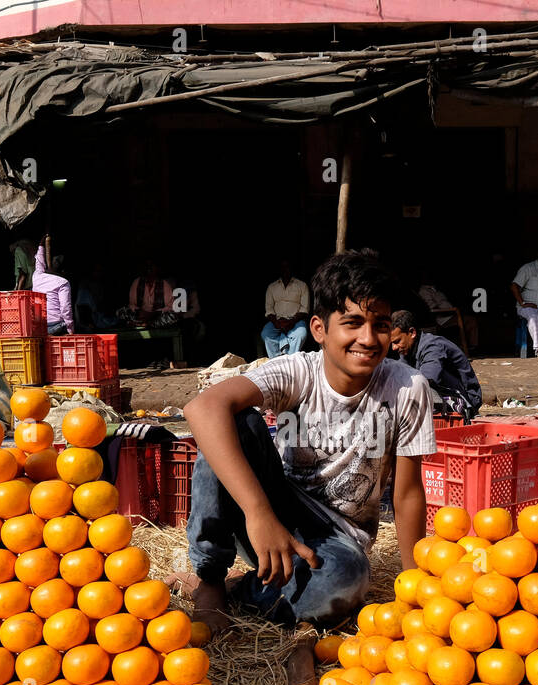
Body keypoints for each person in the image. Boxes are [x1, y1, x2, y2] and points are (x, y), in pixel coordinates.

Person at [184, 250, 435, 634]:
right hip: (274, 509)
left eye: (381, 325)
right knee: (233, 420)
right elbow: (202, 408)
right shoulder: (299, 371)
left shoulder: (406, 386)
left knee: (345, 583)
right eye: (352, 323)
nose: (368, 339)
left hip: (339, 540)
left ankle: (245, 589)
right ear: (319, 329)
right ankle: (212, 580)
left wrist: (414, 584)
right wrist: (259, 513)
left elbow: (407, 493)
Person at [390, 310, 483, 422]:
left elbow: (425, 381)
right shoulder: (406, 351)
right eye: (392, 343)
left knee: (421, 383)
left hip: (465, 400)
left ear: (412, 333)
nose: (393, 348)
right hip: (440, 394)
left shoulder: (433, 347)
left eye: (397, 341)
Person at [262, 261, 311, 357]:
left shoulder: (302, 285)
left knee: (301, 334)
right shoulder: (272, 287)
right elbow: (269, 309)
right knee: (266, 333)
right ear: (279, 270)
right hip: (276, 321)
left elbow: (305, 309)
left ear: (292, 269)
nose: (285, 270)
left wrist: (292, 321)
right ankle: (275, 360)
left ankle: (290, 360)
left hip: (296, 321)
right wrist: (277, 323)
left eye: (287, 267)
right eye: (283, 268)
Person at [418, 276, 477, 354]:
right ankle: (472, 348)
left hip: (452, 314)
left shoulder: (436, 290)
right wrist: (450, 311)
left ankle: (469, 347)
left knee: (471, 320)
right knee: (470, 320)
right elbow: (431, 308)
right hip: (443, 318)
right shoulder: (424, 291)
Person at [30, 245, 73, 335]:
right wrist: (70, 329)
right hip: (55, 326)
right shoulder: (63, 282)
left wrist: (41, 246)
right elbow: (65, 308)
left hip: (38, 325)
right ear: (63, 271)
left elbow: (39, 262)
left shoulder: (37, 276)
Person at [126, 260, 176, 328]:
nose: (149, 268)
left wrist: (153, 314)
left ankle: (145, 324)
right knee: (121, 312)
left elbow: (170, 307)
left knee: (172, 317)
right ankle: (144, 323)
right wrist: (140, 312)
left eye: (151, 266)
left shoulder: (164, 284)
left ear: (156, 268)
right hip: (141, 315)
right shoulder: (137, 282)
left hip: (157, 316)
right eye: (147, 265)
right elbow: (132, 304)